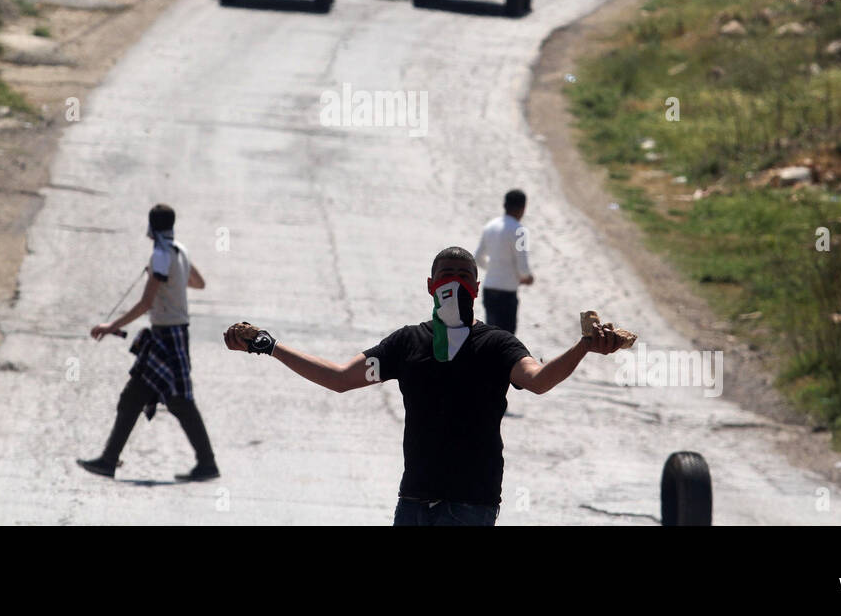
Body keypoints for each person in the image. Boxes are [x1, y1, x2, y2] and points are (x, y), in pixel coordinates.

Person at [222, 246, 631, 526]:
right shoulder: (408, 344)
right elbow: (340, 378)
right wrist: (269, 346)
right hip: (415, 501)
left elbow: (538, 380)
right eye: (447, 276)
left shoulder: (495, 344)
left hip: (471, 504)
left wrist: (583, 347)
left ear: (476, 288)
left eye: (465, 276)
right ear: (430, 285)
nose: (456, 283)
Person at [77, 203, 219, 482]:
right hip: (170, 335)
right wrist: (168, 278)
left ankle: (207, 463)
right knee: (134, 397)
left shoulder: (161, 255)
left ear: (150, 227)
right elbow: (199, 283)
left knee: (179, 401)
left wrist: (111, 326)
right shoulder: (179, 250)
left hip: (168, 336)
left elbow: (146, 303)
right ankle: (108, 459)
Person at [474, 189, 533, 335]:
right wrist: (527, 278)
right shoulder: (520, 231)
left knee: (491, 335)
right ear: (523, 208)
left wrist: (493, 268)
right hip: (507, 292)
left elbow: (477, 257)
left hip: (489, 287)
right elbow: (523, 267)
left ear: (504, 205)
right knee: (506, 340)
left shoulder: (490, 226)